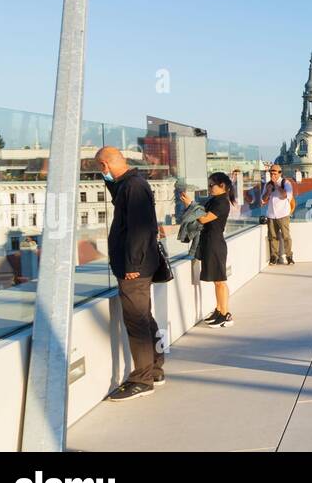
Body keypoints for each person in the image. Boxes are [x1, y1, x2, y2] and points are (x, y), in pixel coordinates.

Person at [96, 146, 165, 401]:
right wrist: (110, 180)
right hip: (138, 265)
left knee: (136, 321)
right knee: (144, 317)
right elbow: (122, 204)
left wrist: (133, 266)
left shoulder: (134, 186)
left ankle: (142, 379)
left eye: (100, 169)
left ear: (105, 165)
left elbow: (140, 229)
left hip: (135, 268)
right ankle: (156, 367)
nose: (100, 174)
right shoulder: (130, 184)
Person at [181, 172, 235, 327]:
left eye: (212, 185)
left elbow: (204, 218)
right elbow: (201, 213)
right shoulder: (215, 200)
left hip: (215, 244)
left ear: (222, 186)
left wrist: (191, 205)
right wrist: (191, 205)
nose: (209, 188)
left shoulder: (222, 203)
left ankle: (225, 314)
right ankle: (220, 310)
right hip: (210, 243)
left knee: (220, 281)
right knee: (217, 280)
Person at [261, 164, 295, 266]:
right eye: (271, 173)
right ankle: (274, 257)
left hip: (283, 214)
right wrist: (268, 191)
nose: (272, 175)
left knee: (286, 237)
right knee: (273, 237)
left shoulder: (286, 183)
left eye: (274, 173)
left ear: (280, 173)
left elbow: (285, 195)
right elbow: (263, 200)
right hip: (271, 215)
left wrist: (276, 185)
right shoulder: (268, 185)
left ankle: (289, 256)